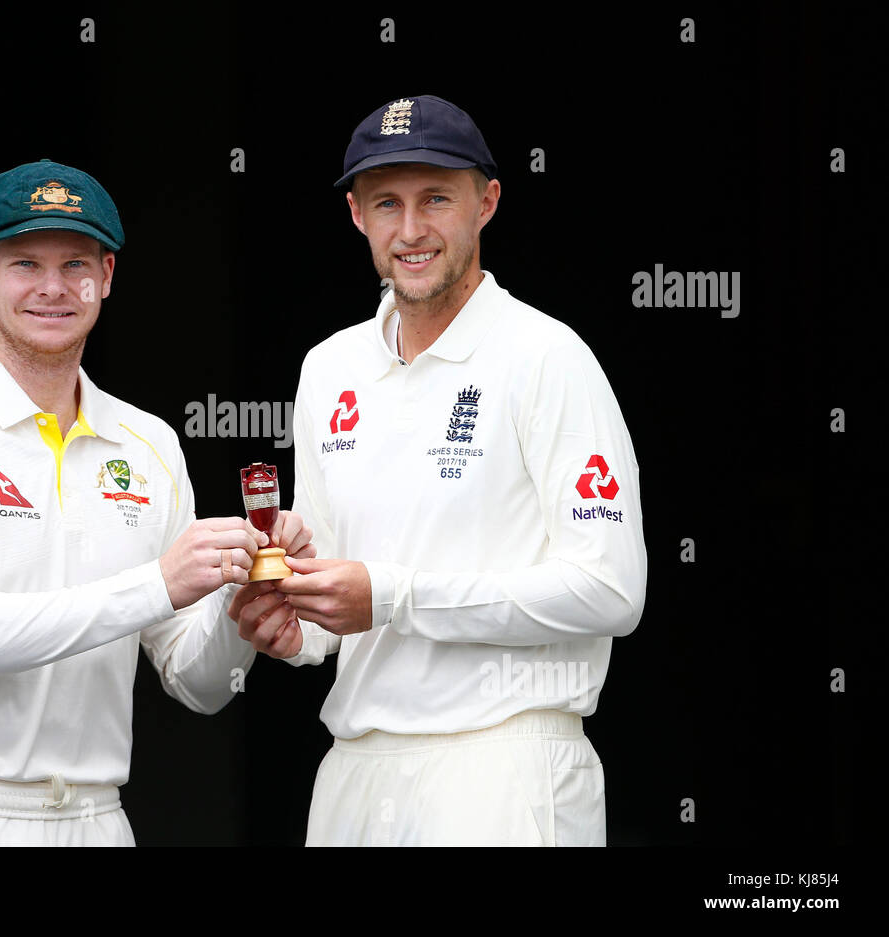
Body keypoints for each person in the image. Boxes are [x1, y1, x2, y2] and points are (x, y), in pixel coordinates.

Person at [0, 159, 312, 846]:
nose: (54, 288)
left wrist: (243, 609)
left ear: (108, 277)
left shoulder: (147, 442)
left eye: (77, 265)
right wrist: (158, 583)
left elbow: (197, 681)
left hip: (95, 818)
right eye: (26, 262)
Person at [228, 96, 647, 846]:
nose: (412, 230)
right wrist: (294, 626)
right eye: (387, 202)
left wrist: (394, 595)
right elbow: (337, 588)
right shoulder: (329, 368)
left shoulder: (546, 356)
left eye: (436, 199)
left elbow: (611, 590)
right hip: (356, 768)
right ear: (357, 214)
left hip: (502, 766)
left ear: (486, 203)